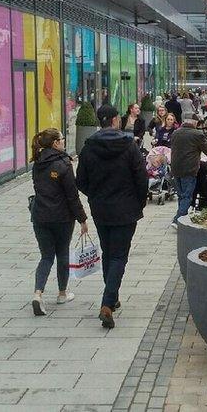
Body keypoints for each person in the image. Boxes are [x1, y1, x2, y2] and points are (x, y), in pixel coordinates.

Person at [75, 105, 147, 329]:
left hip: (101, 209)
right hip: (126, 209)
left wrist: (95, 196)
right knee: (118, 256)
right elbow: (141, 177)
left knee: (108, 252)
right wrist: (139, 202)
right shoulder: (129, 146)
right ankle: (107, 303)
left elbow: (81, 181)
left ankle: (112, 296)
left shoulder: (88, 148)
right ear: (116, 120)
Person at [30, 128, 89, 316]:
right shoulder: (63, 163)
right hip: (61, 217)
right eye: (62, 139)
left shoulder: (37, 162)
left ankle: (38, 293)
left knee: (46, 256)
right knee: (62, 253)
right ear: (56, 143)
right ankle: (62, 293)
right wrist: (82, 219)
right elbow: (72, 195)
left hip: (40, 215)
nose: (64, 142)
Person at [170, 112, 207, 224]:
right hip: (189, 169)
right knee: (187, 196)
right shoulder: (197, 134)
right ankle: (178, 220)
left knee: (181, 195)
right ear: (195, 123)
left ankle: (182, 217)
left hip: (175, 168)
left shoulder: (176, 133)